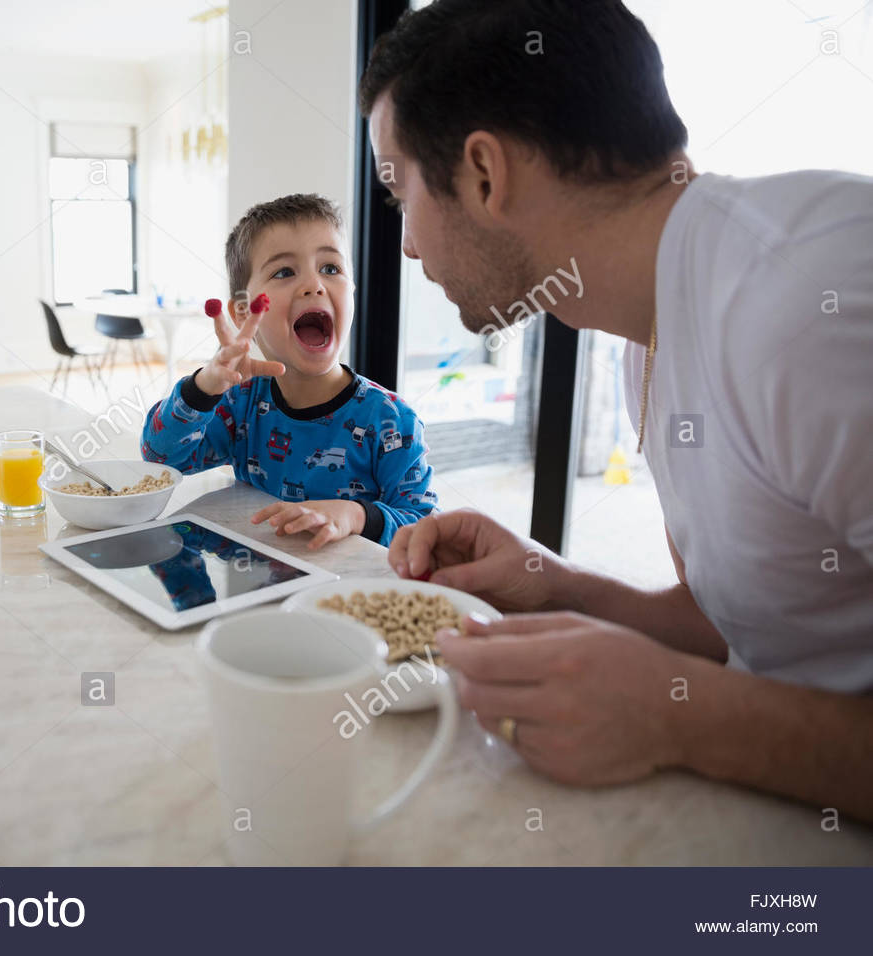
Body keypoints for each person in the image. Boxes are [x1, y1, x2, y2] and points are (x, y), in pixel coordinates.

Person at [360, 0, 873, 821]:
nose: (410, 244)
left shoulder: (811, 303)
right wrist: (556, 587)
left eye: (400, 192)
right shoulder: (651, 321)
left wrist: (683, 718)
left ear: (485, 174)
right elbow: (745, 625)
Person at [141, 194, 437, 548]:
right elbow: (161, 457)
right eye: (284, 272)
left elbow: (423, 530)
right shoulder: (240, 404)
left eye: (331, 268)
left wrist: (357, 515)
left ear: (352, 292)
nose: (314, 284)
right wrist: (203, 387)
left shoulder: (393, 420)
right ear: (241, 313)